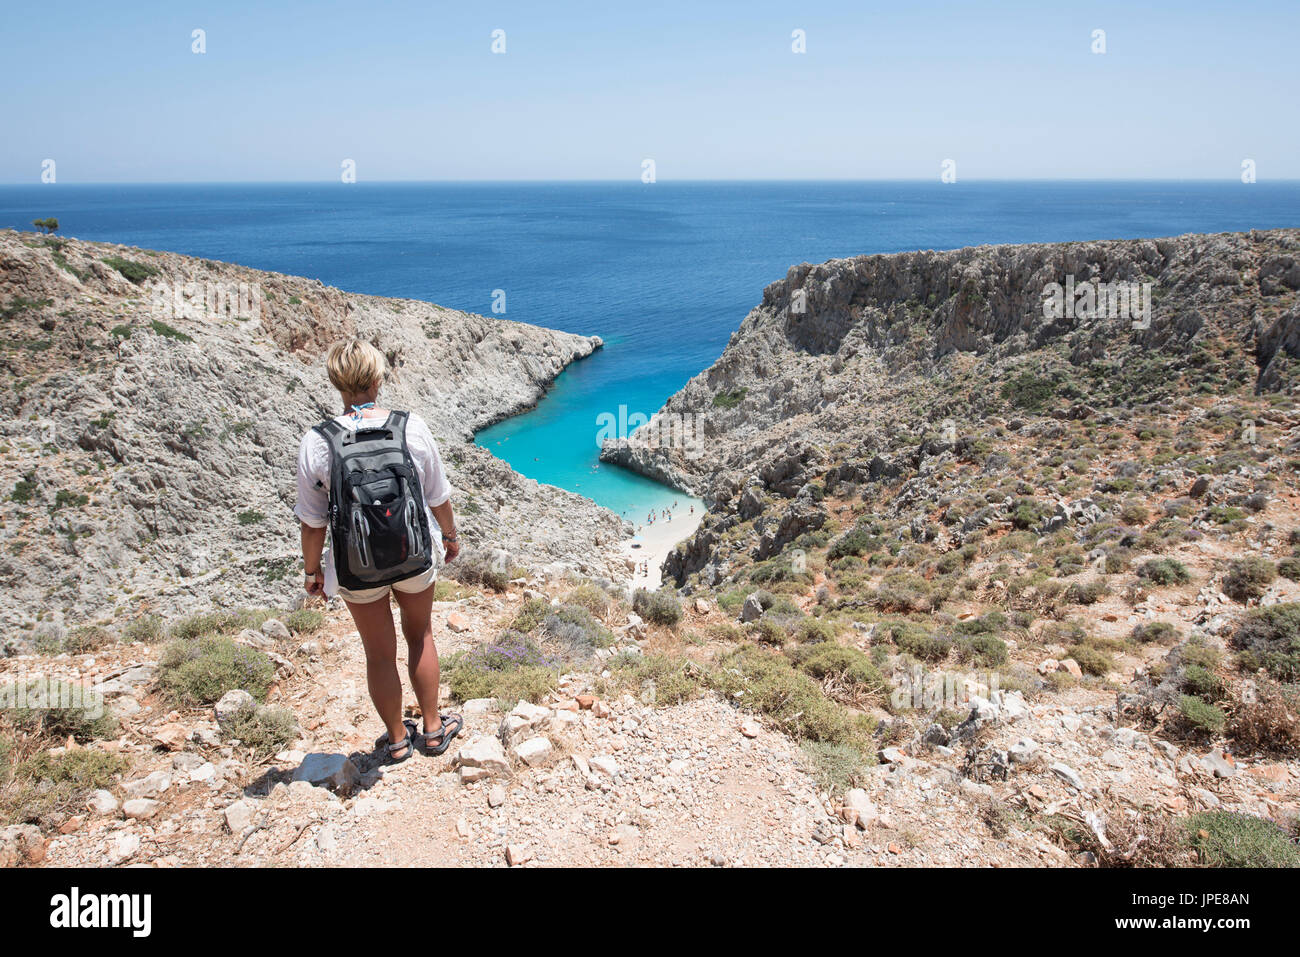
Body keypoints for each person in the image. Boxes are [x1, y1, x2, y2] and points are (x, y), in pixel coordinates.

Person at [295, 339, 463, 763]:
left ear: (336, 383)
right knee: (420, 635)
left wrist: (313, 572)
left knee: (378, 652)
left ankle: (395, 740)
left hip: (356, 565)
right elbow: (437, 494)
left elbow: (312, 521)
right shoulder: (411, 427)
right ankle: (431, 728)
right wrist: (450, 536)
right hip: (413, 553)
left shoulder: (318, 442)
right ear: (376, 379)